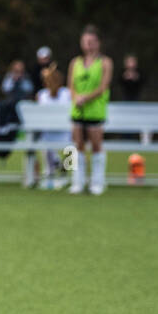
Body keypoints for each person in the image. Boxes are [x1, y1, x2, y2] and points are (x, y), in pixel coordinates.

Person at [67, 25, 113, 194]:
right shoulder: (75, 62)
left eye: (92, 42)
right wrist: (76, 97)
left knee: (96, 146)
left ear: (98, 43)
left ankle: (97, 182)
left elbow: (103, 86)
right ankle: (76, 181)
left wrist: (86, 97)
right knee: (76, 145)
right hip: (78, 110)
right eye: (86, 41)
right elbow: (70, 85)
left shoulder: (105, 62)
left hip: (95, 110)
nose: (88, 45)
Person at [32, 65, 70, 189]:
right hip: (48, 134)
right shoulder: (41, 95)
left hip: (65, 133)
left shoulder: (67, 93)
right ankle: (50, 172)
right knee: (45, 143)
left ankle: (66, 171)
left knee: (74, 144)